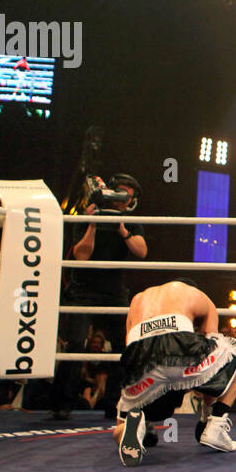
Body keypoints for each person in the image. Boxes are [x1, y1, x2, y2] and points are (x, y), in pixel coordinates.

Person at [113, 281, 236, 467]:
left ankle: (134, 426)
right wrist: (205, 410)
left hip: (139, 362)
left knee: (121, 422)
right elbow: (210, 341)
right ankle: (216, 425)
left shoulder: (138, 299)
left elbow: (131, 346)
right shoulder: (196, 295)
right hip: (179, 351)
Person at [53, 174, 147, 420]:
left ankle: (114, 403)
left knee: (123, 347)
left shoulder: (131, 222)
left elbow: (142, 251)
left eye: (128, 196)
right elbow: (81, 256)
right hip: (83, 289)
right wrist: (93, 224)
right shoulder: (88, 215)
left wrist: (122, 230)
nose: (123, 200)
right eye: (120, 193)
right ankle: (62, 403)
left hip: (114, 290)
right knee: (75, 345)